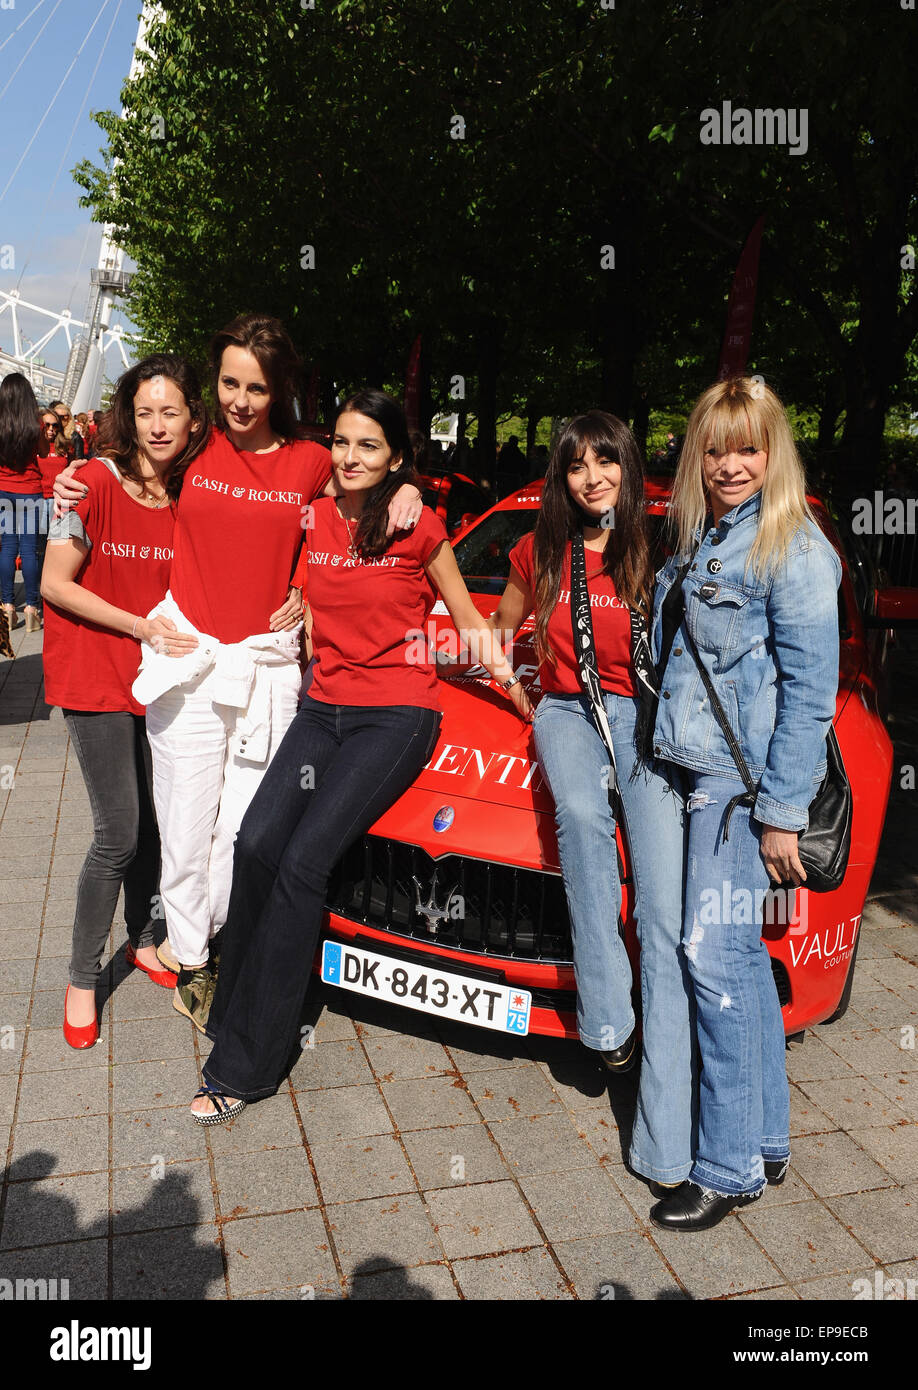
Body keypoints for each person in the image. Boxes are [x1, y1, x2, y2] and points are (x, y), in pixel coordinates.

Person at [55, 314, 423, 1035]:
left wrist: (407, 493)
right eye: (228, 383)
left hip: (267, 670)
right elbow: (129, 465)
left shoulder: (314, 460)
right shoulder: (193, 446)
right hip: (188, 665)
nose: (241, 401)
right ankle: (192, 960)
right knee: (185, 829)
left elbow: (363, 493)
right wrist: (74, 476)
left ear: (280, 387)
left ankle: (208, 939)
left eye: (257, 387)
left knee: (248, 829)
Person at [189, 388, 531, 1123]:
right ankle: (229, 1006)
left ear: (397, 458)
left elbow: (469, 620)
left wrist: (511, 684)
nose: (349, 457)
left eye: (369, 446)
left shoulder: (419, 525)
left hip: (397, 716)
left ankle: (246, 1066)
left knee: (305, 861)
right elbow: (250, 504)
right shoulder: (313, 513)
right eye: (342, 442)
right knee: (255, 845)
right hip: (323, 708)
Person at [476, 410, 695, 1191]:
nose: (593, 476)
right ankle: (609, 1026)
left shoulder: (659, 549)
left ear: (629, 470)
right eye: (577, 465)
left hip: (645, 712)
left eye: (607, 461)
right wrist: (498, 671)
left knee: (657, 864)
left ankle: (662, 1032)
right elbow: (498, 630)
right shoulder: (540, 550)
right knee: (577, 820)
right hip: (567, 708)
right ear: (561, 477)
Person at [648, 376, 841, 1231]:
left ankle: (726, 1169)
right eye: (717, 447)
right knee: (741, 961)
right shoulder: (709, 530)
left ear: (775, 453)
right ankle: (764, 1137)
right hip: (701, 772)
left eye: (748, 448)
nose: (731, 464)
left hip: (741, 787)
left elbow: (811, 696)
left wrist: (781, 812)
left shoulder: (790, 545)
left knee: (710, 959)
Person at [41, 355, 209, 1046]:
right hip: (97, 675)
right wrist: (140, 626)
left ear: (193, 419)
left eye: (171, 411)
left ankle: (143, 939)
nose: (158, 425)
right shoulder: (89, 484)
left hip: (161, 684)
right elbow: (54, 583)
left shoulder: (192, 494)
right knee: (118, 830)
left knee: (156, 822)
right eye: (145, 412)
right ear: (127, 417)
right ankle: (83, 977)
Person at [0, 373, 45, 632]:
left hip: (3, 491)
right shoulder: (34, 425)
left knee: (7, 548)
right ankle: (31, 607)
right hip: (30, 491)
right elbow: (42, 451)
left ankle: (7, 606)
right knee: (28, 550)